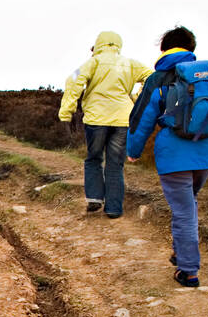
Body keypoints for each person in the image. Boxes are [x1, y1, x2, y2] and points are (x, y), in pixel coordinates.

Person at [127, 26, 208, 288]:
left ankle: (188, 271)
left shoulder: (158, 79)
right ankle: (181, 252)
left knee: (183, 211)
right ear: (190, 49)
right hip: (207, 153)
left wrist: (133, 152)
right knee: (188, 204)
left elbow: (142, 120)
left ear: (164, 49)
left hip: (174, 156)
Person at [58, 31, 152, 218]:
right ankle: (114, 209)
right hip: (122, 120)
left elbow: (72, 80)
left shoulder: (92, 62)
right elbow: (151, 77)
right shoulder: (130, 63)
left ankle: (94, 198)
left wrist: (66, 112)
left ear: (98, 45)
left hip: (96, 119)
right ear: (118, 44)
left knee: (94, 158)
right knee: (115, 164)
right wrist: (135, 99)